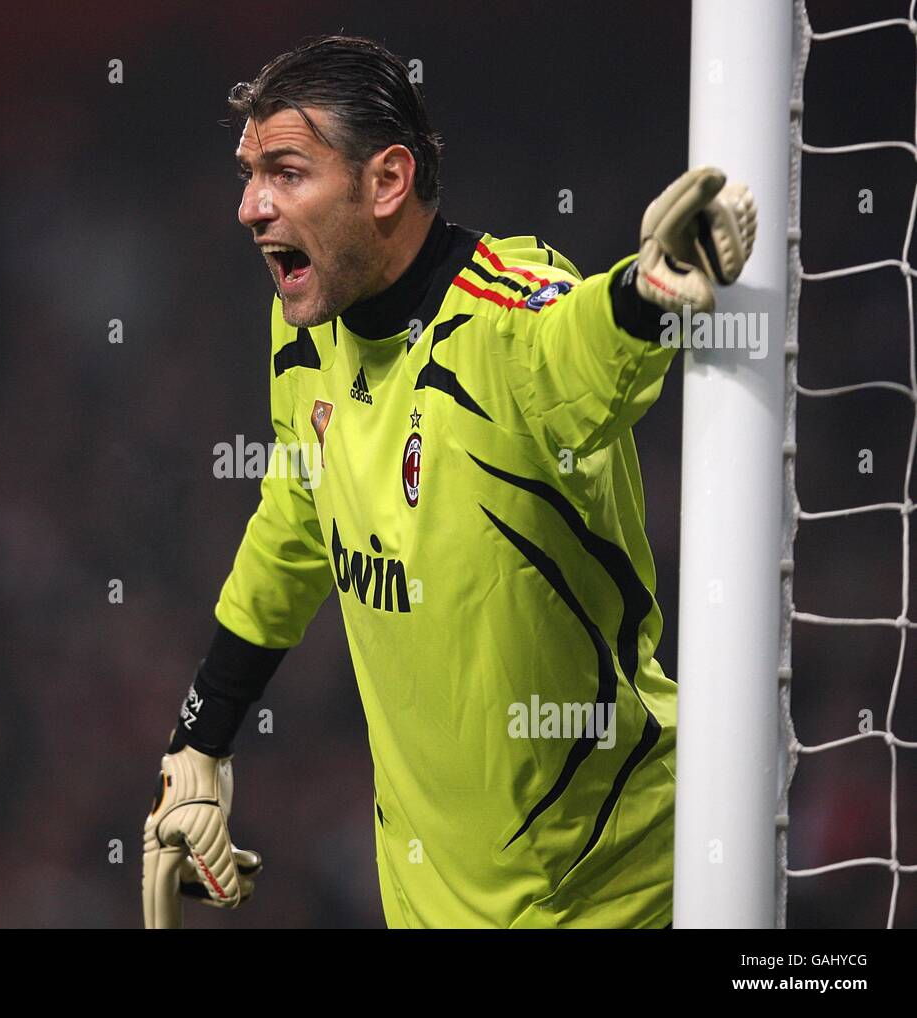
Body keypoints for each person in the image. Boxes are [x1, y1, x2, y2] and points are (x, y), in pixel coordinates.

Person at [142, 34, 756, 928]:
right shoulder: (304, 334)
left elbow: (578, 341)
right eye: (248, 175)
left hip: (613, 891)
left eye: (285, 172)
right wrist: (199, 743)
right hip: (427, 903)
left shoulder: (506, 315)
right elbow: (294, 524)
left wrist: (652, 291)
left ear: (386, 182)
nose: (250, 207)